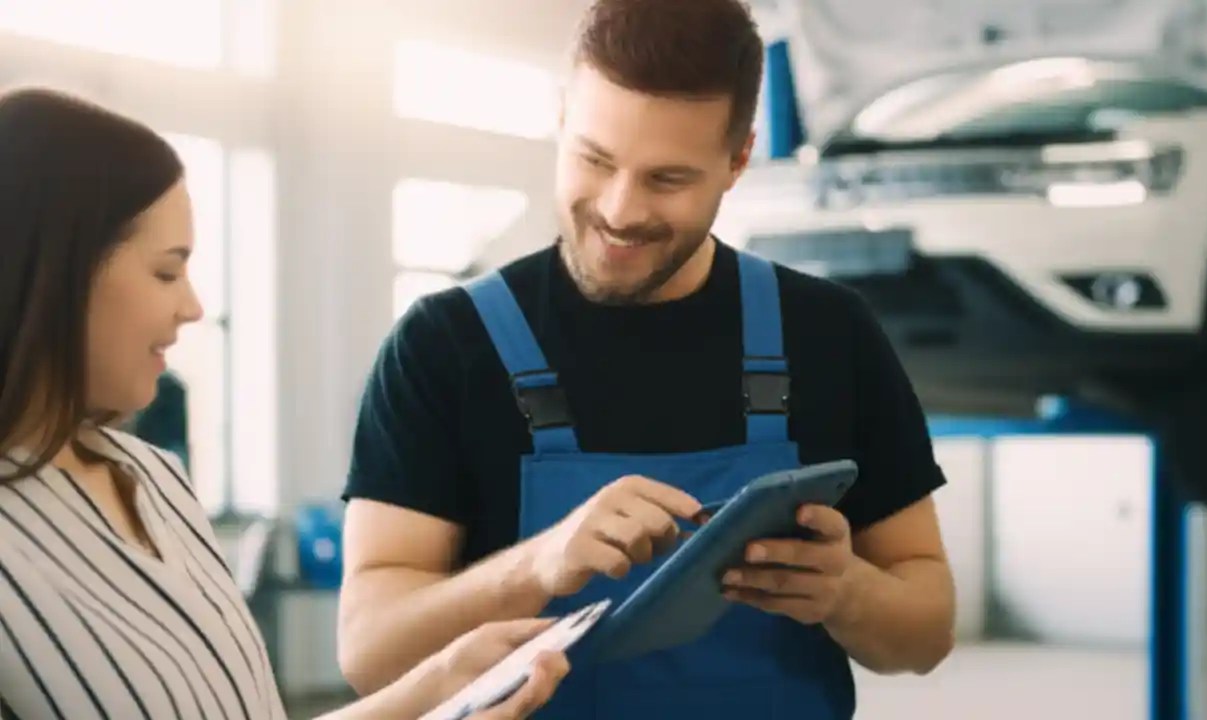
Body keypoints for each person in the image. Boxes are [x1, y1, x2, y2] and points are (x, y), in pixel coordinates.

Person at [339, 0, 957, 717]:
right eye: (594, 160)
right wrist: (534, 565)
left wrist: (848, 592)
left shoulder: (828, 333)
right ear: (562, 116)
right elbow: (367, 653)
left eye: (668, 180)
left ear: (738, 161)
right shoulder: (445, 346)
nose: (620, 210)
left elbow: (926, 634)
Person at [0, 87, 569, 719]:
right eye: (166, 272)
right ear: (53, 271)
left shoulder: (154, 479)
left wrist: (439, 682)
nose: (191, 307)